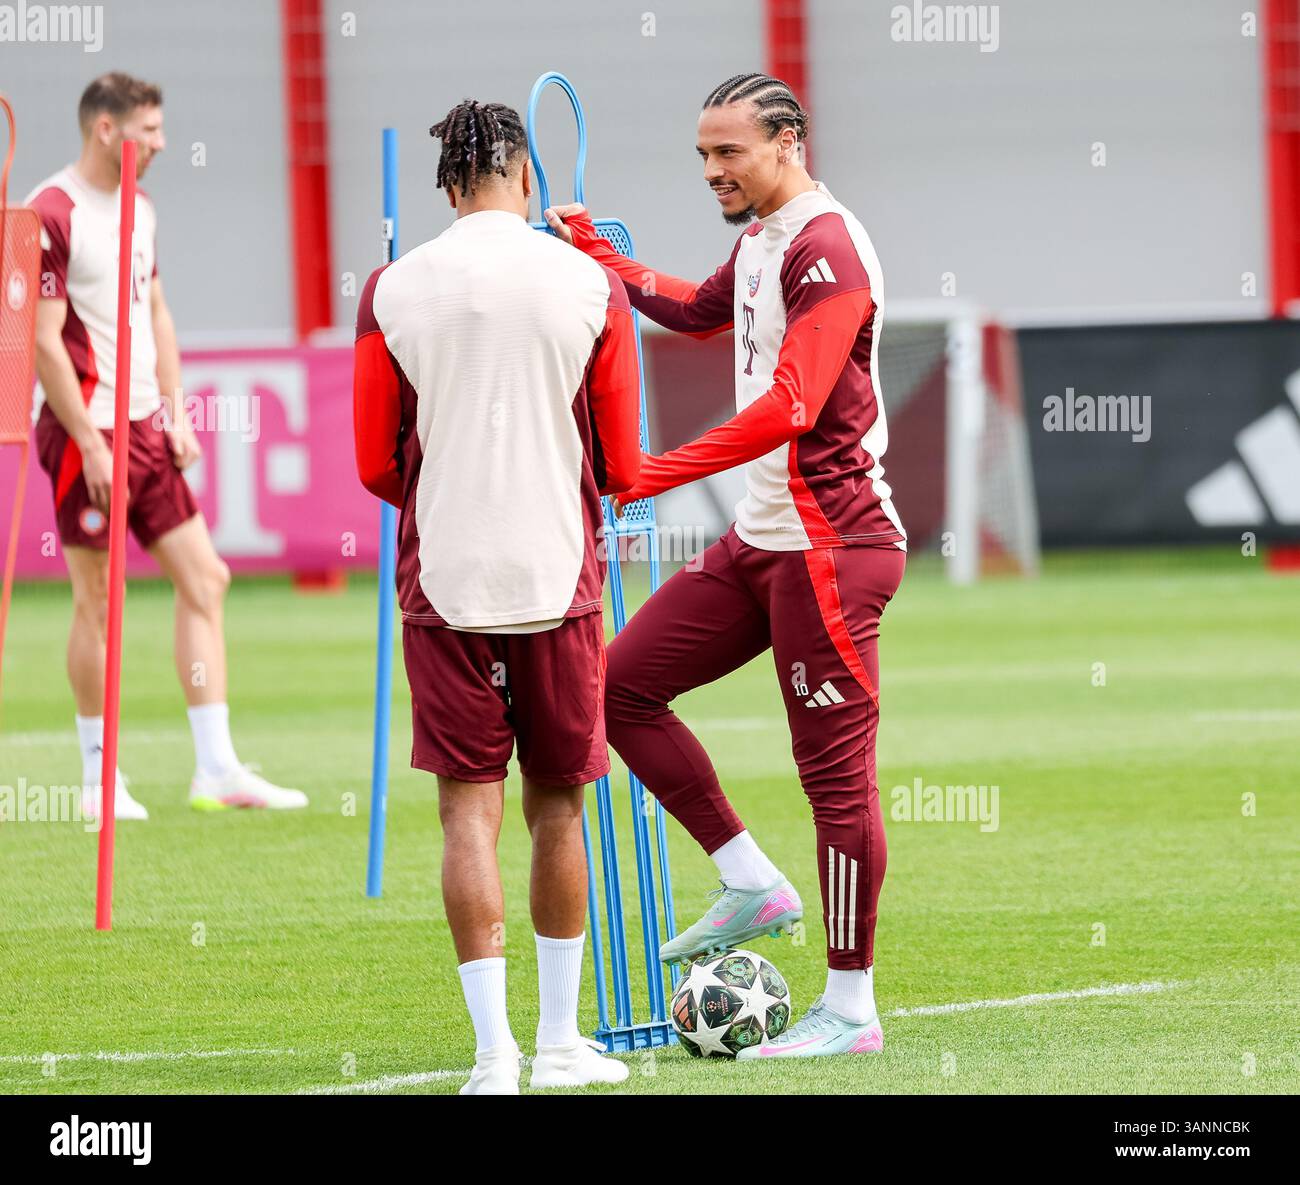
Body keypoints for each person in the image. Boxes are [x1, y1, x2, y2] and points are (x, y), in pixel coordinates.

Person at [544, 72, 906, 1059]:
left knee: (835, 787)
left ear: (787, 142)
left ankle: (849, 1008)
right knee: (614, 686)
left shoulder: (826, 245)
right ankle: (751, 880)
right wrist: (603, 260)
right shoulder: (760, 239)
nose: (711, 170)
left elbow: (791, 406)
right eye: (702, 153)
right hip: (763, 541)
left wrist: (653, 471)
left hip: (832, 547)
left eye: (728, 152)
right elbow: (697, 310)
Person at [353, 99, 642, 1094]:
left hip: (445, 581)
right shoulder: (590, 283)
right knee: (556, 815)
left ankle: (494, 1057)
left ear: (447, 185)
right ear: (526, 180)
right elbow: (621, 461)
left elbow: (373, 463)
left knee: (464, 821)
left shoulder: (393, 286)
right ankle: (560, 1046)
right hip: (557, 579)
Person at [28, 72, 305, 819]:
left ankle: (215, 766)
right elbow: (43, 345)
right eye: (149, 131)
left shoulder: (142, 210)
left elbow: (156, 313)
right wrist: (87, 442)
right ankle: (96, 781)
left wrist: (178, 414)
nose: (162, 145)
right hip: (83, 430)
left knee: (205, 578)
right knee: (98, 598)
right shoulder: (50, 213)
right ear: (106, 130)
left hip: (148, 429)